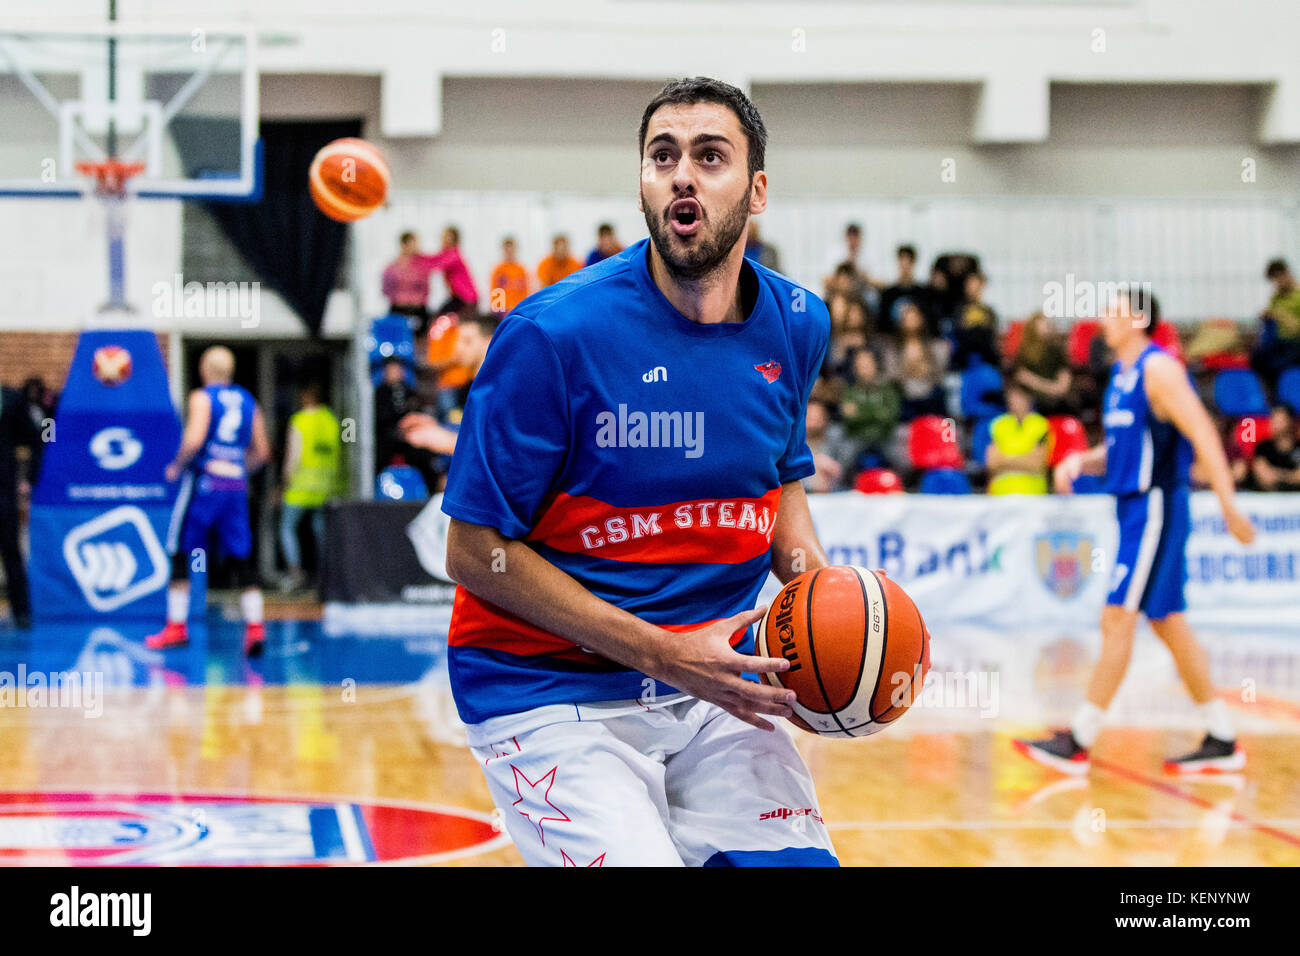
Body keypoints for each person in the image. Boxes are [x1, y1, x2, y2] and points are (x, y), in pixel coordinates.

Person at [439, 76, 837, 866]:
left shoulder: (797, 323)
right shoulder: (552, 336)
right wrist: (661, 650)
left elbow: (780, 481)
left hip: (717, 689)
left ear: (756, 190)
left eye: (710, 156)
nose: (682, 173)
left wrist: (822, 604)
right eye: (663, 156)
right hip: (547, 692)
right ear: (647, 183)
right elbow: (470, 551)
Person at [1016, 290, 1256, 775]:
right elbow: (1123, 448)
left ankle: (1079, 740)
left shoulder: (1158, 369)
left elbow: (1204, 433)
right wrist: (1083, 458)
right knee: (1167, 619)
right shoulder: (1122, 378)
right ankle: (1222, 736)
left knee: (1117, 617)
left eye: (1113, 308)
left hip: (1156, 508)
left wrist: (1228, 503)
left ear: (1138, 318)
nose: (1103, 317)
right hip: (1133, 511)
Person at [148, 347, 271, 656]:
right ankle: (255, 627)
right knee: (242, 555)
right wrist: (240, 468)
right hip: (235, 486)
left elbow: (194, 438)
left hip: (206, 483)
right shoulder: (247, 401)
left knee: (179, 550)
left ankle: (176, 627)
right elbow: (264, 452)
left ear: (205, 371)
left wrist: (177, 466)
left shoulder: (202, 398)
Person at [398, 314, 499, 456]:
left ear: (490, 342)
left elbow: (502, 451)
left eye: (467, 341)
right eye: (457, 340)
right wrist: (435, 426)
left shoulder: (501, 391)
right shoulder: (465, 390)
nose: (458, 348)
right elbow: (469, 433)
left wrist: (449, 442)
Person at [279, 382, 341, 592]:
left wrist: (283, 483)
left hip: (300, 487)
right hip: (325, 488)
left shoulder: (300, 420)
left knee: (287, 528)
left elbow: (293, 456)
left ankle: (295, 574)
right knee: (321, 532)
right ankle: (327, 575)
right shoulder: (332, 420)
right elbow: (342, 452)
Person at [0, 382, 42, 629]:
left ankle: (22, 613)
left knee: (11, 551)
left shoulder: (11, 398)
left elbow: (42, 434)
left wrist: (29, 477)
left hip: (3, 489)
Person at [838, 348, 900, 468]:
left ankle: (903, 484)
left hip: (884, 436)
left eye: (868, 365)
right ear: (855, 369)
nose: (864, 370)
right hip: (856, 437)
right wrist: (877, 412)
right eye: (860, 366)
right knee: (843, 462)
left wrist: (860, 412)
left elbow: (891, 417)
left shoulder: (888, 390)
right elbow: (849, 419)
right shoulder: (849, 392)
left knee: (901, 462)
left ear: (876, 365)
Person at [985, 381, 1049, 495]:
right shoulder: (998, 424)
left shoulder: (1042, 424)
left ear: (1028, 399)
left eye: (1019, 396)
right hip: (1000, 492)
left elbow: (1037, 464)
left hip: (1033, 493)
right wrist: (1025, 457)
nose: (1014, 401)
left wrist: (1005, 459)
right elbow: (992, 464)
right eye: (1012, 396)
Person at [1009, 312, 1072, 416]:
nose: (1046, 327)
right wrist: (1050, 388)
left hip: (1054, 395)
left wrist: (1057, 388)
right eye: (1042, 323)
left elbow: (1064, 377)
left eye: (1047, 324)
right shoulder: (1024, 352)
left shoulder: (1056, 350)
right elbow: (1022, 377)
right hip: (1033, 395)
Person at [1253, 259, 1300, 390]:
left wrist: (1281, 317)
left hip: (1295, 342)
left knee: (1278, 364)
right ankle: (1272, 400)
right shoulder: (1276, 297)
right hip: (1278, 342)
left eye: (1277, 279)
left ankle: (1282, 400)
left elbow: (1296, 327)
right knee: (1257, 359)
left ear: (1286, 274)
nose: (1276, 284)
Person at [878, 245, 935, 337]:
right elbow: (883, 325)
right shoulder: (888, 294)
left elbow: (930, 322)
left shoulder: (924, 293)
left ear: (913, 263)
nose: (905, 267)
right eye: (902, 262)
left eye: (908, 262)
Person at [382, 231, 433, 332]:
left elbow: (426, 289)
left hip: (417, 309)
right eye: (413, 244)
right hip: (399, 309)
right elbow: (386, 289)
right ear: (404, 245)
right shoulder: (392, 267)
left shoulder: (422, 266)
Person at [950, 271, 1000, 370]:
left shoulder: (989, 311)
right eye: (969, 285)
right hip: (963, 354)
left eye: (975, 285)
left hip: (986, 354)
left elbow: (992, 333)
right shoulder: (960, 309)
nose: (972, 288)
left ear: (982, 286)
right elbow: (958, 331)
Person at [1251, 404, 1300, 491]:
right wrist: (1289, 476)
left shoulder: (1298, 448)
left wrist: (1278, 475)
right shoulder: (1263, 447)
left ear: (1291, 421)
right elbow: (1264, 476)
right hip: (1269, 499)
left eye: (1280, 421)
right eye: (1274, 420)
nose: (1275, 424)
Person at [488, 236, 531, 316]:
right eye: (507, 250)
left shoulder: (521, 270)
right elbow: (496, 293)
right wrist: (502, 310)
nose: (509, 253)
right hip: (502, 311)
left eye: (511, 250)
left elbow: (525, 293)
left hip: (519, 309)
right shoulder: (498, 270)